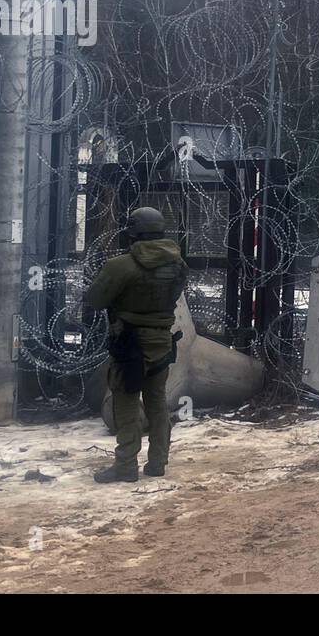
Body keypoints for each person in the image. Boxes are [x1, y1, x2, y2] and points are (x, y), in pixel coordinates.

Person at [84, 207, 188, 483]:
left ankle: (126, 466)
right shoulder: (177, 263)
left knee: (127, 404)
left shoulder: (120, 266)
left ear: (132, 232)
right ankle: (158, 462)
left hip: (129, 344)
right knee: (157, 402)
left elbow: (94, 300)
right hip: (162, 342)